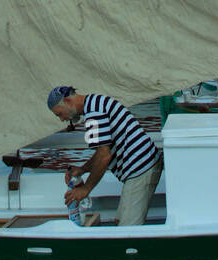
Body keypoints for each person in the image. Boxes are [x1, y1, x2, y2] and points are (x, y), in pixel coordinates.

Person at [46, 86, 163, 226]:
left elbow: (104, 157)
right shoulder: (95, 102)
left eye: (60, 114)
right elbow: (103, 151)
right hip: (144, 165)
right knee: (119, 221)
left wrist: (86, 189)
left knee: (128, 231)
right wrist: (82, 169)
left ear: (68, 101)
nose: (62, 119)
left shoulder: (93, 115)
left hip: (141, 169)